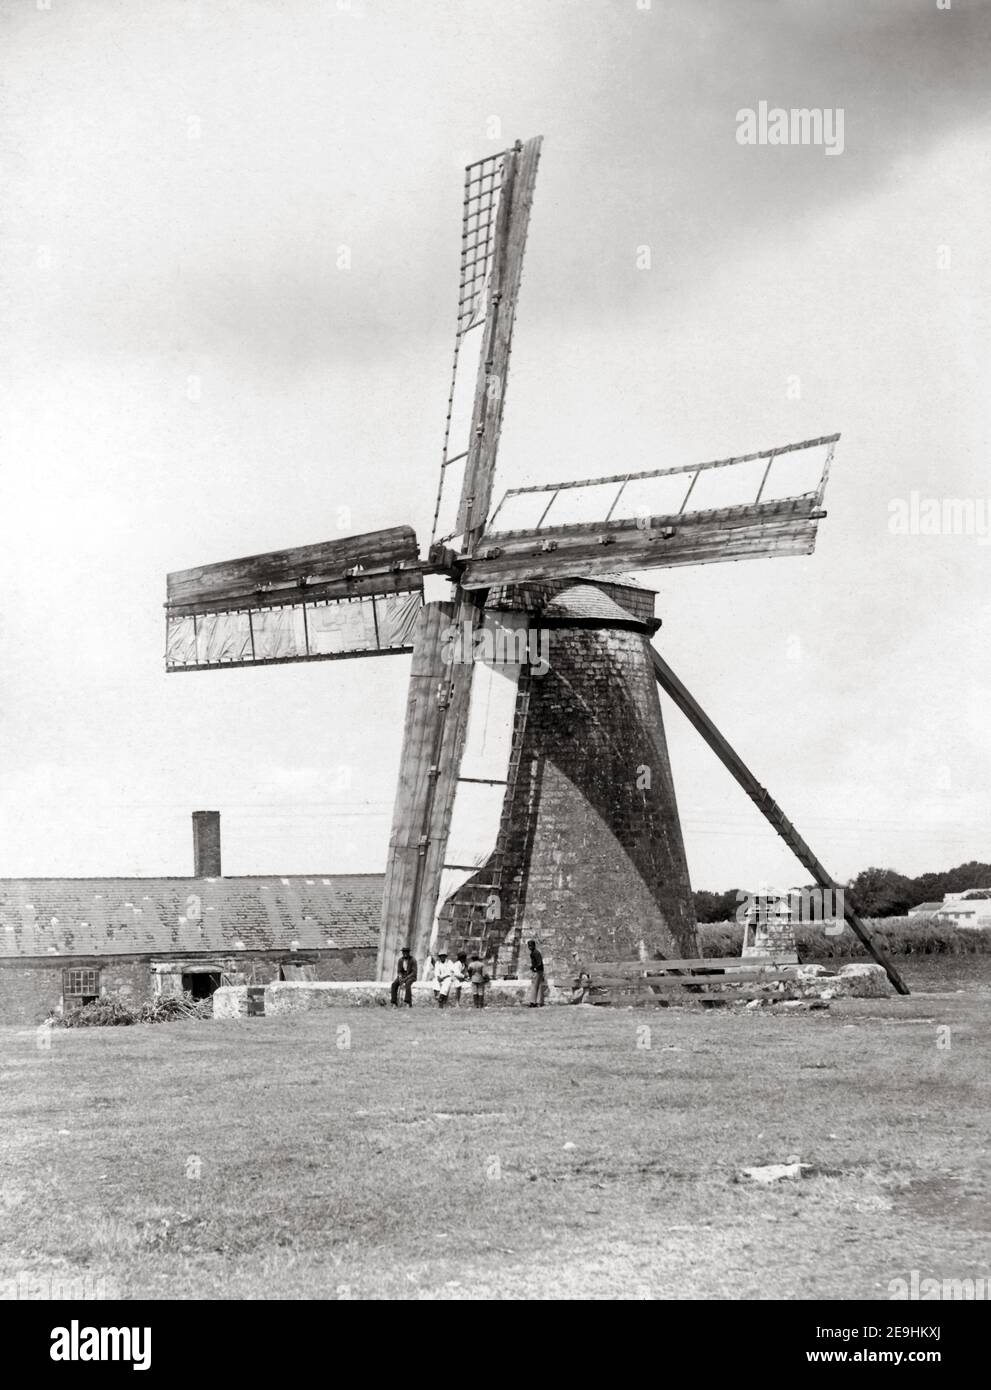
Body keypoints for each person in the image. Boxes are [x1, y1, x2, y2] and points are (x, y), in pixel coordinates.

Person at [527, 938, 546, 1007]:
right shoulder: (534, 953)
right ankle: (538, 1002)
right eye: (529, 946)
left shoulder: (535, 953)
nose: (529, 947)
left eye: (531, 946)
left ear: (534, 946)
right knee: (538, 986)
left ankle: (533, 1002)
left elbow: (539, 963)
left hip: (537, 971)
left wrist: (534, 968)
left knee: (535, 986)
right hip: (539, 971)